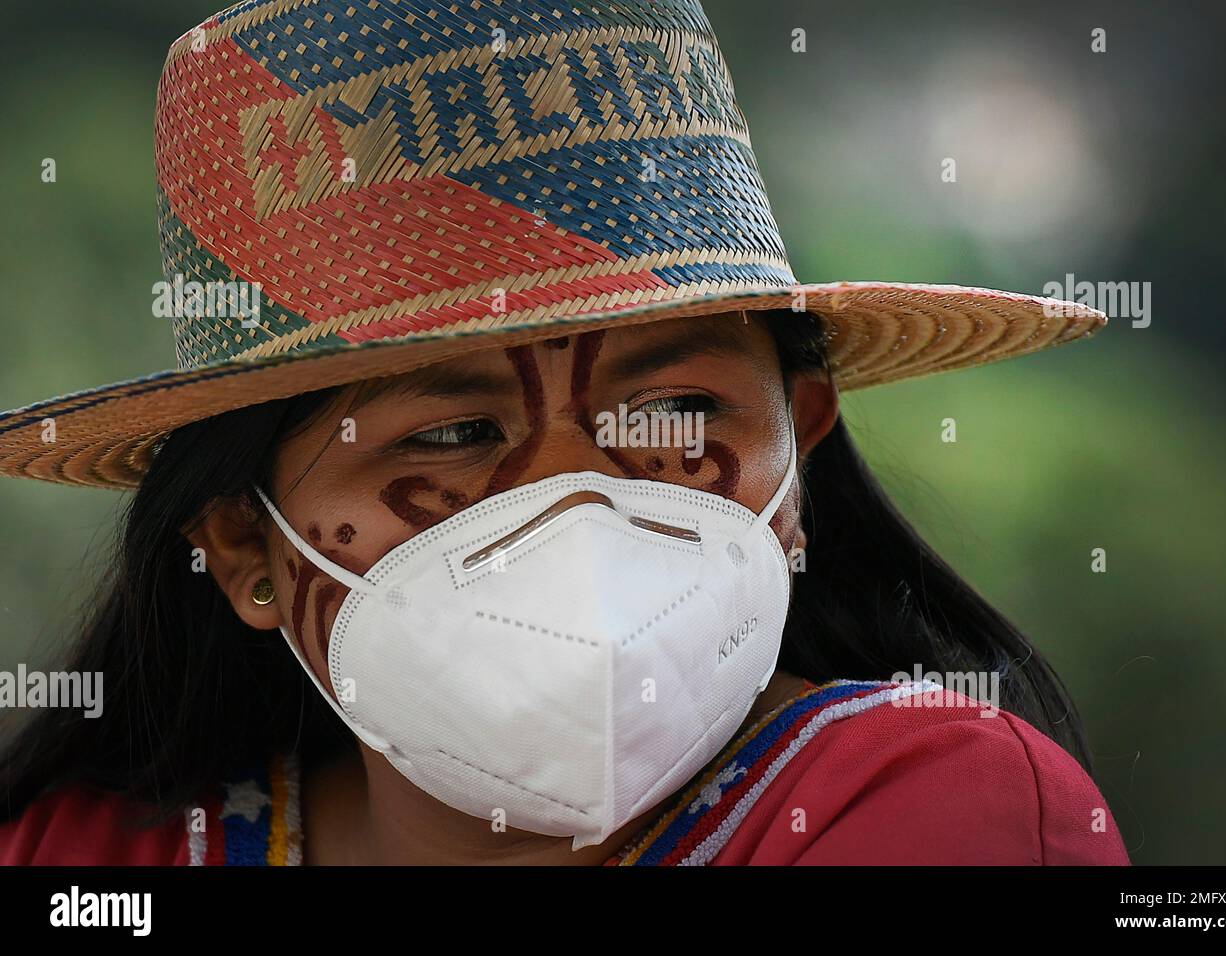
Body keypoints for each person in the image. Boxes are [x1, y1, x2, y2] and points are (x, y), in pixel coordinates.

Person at [0, 0, 1126, 866]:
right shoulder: (88, 857)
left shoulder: (934, 805)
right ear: (247, 545)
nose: (576, 500)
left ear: (802, 457)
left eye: (678, 410)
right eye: (453, 431)